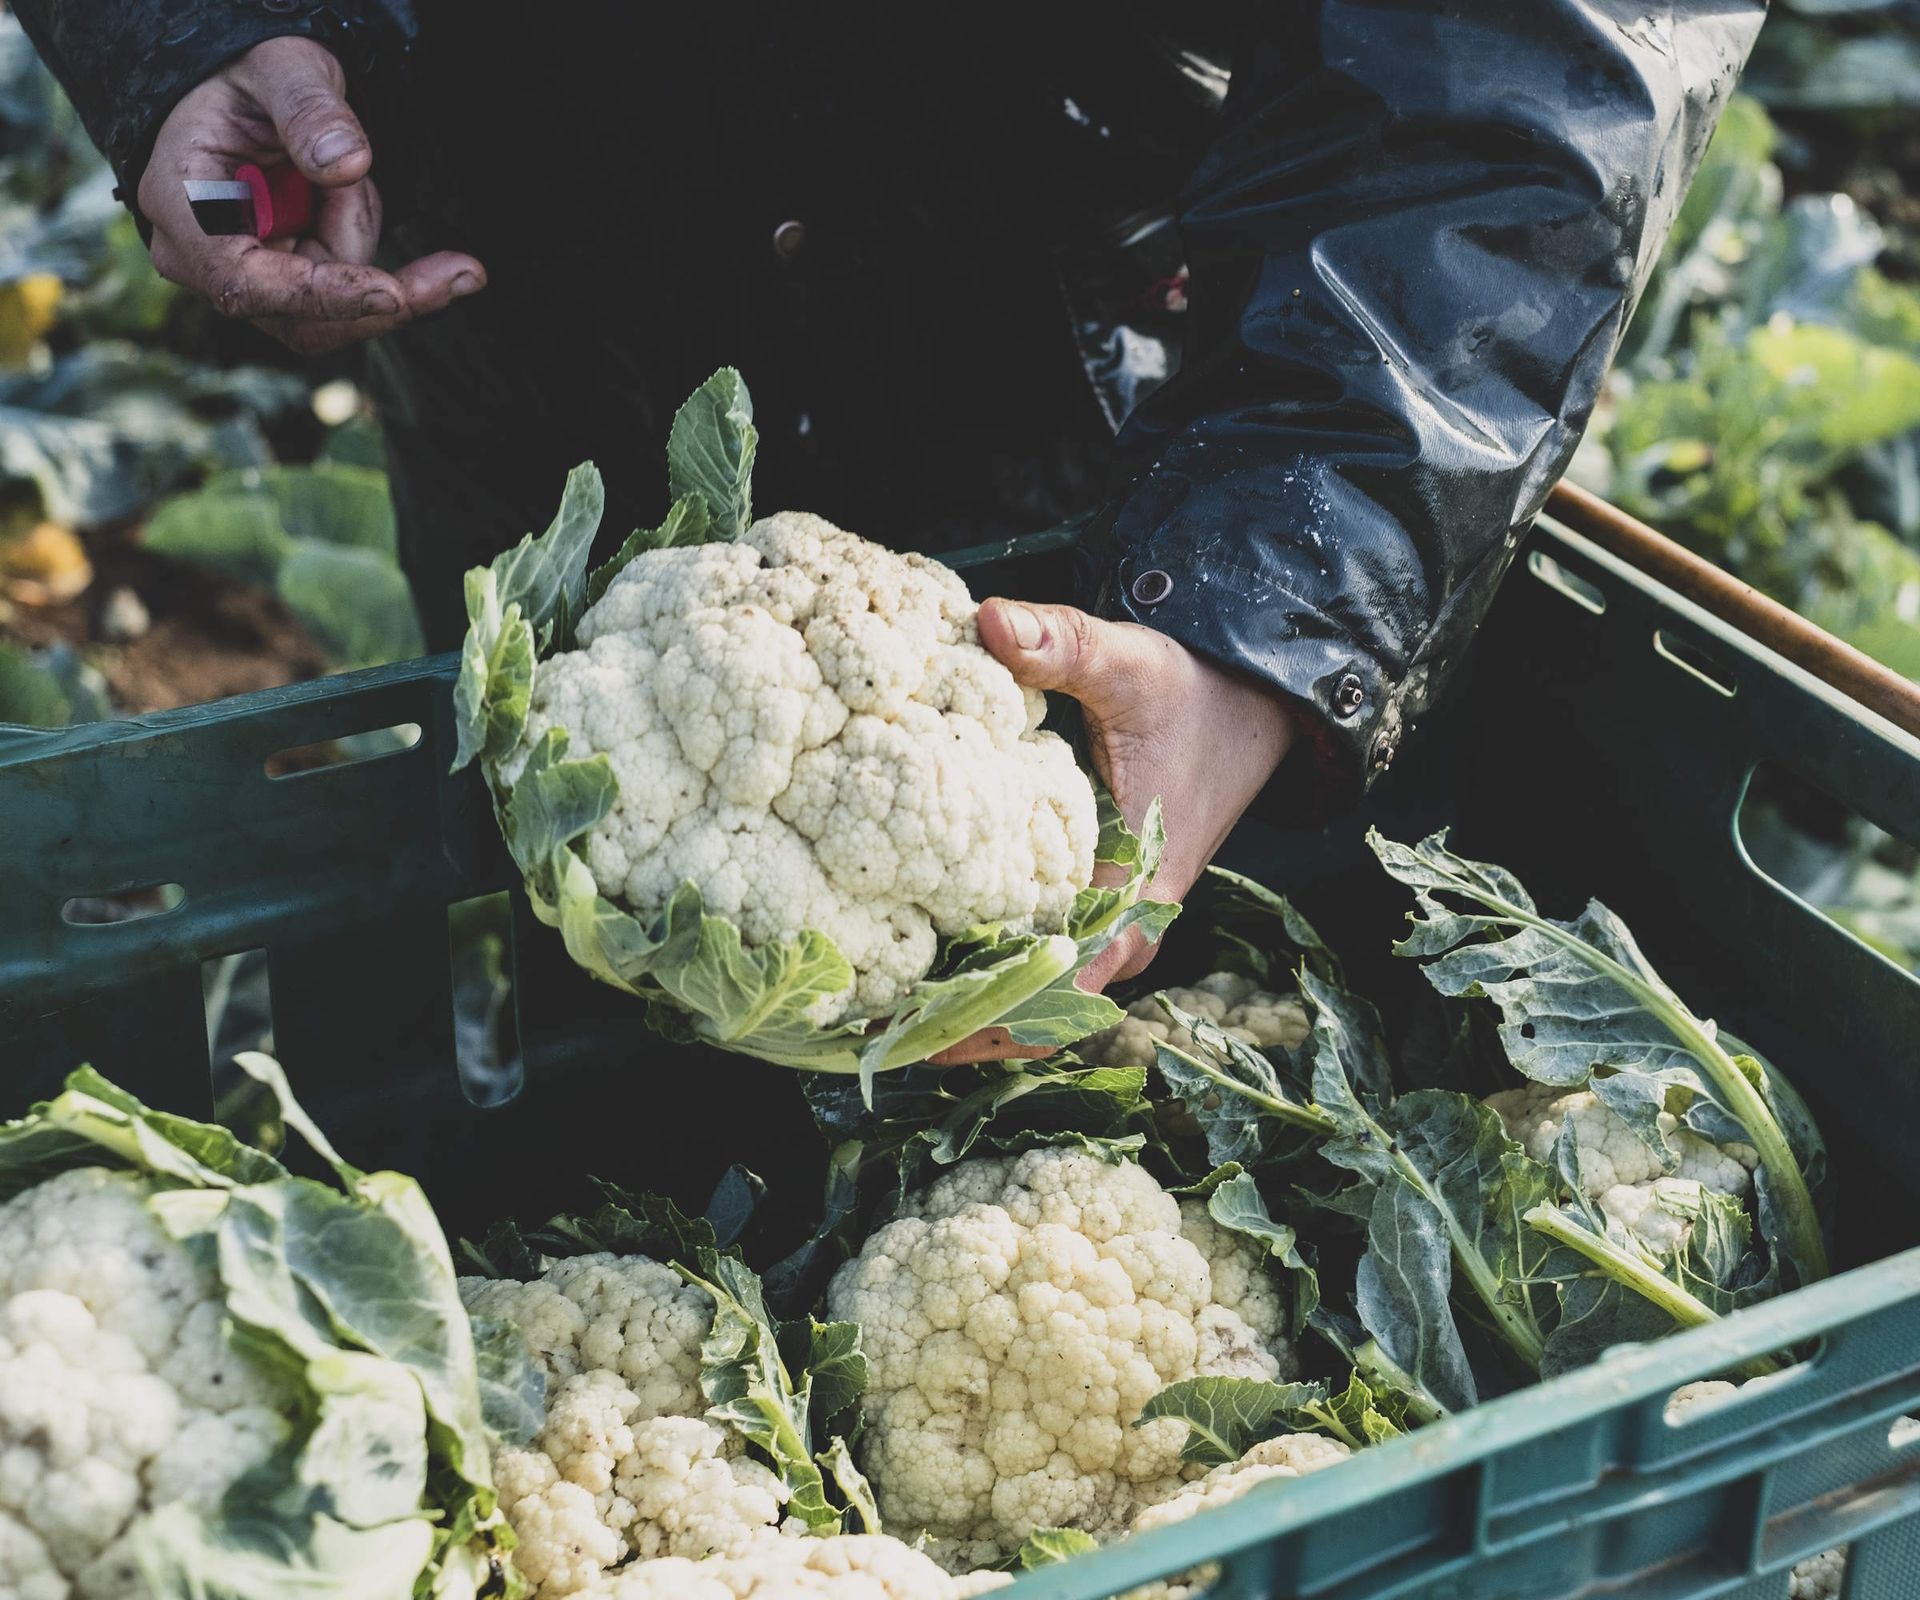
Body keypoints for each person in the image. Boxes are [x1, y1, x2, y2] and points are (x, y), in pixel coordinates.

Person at [15, 2, 1767, 1017]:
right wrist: (188, 30)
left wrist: (1281, 596)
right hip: (519, 296)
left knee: (1179, 993)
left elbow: (1558, 42)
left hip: (1141, 324)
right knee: (599, 958)